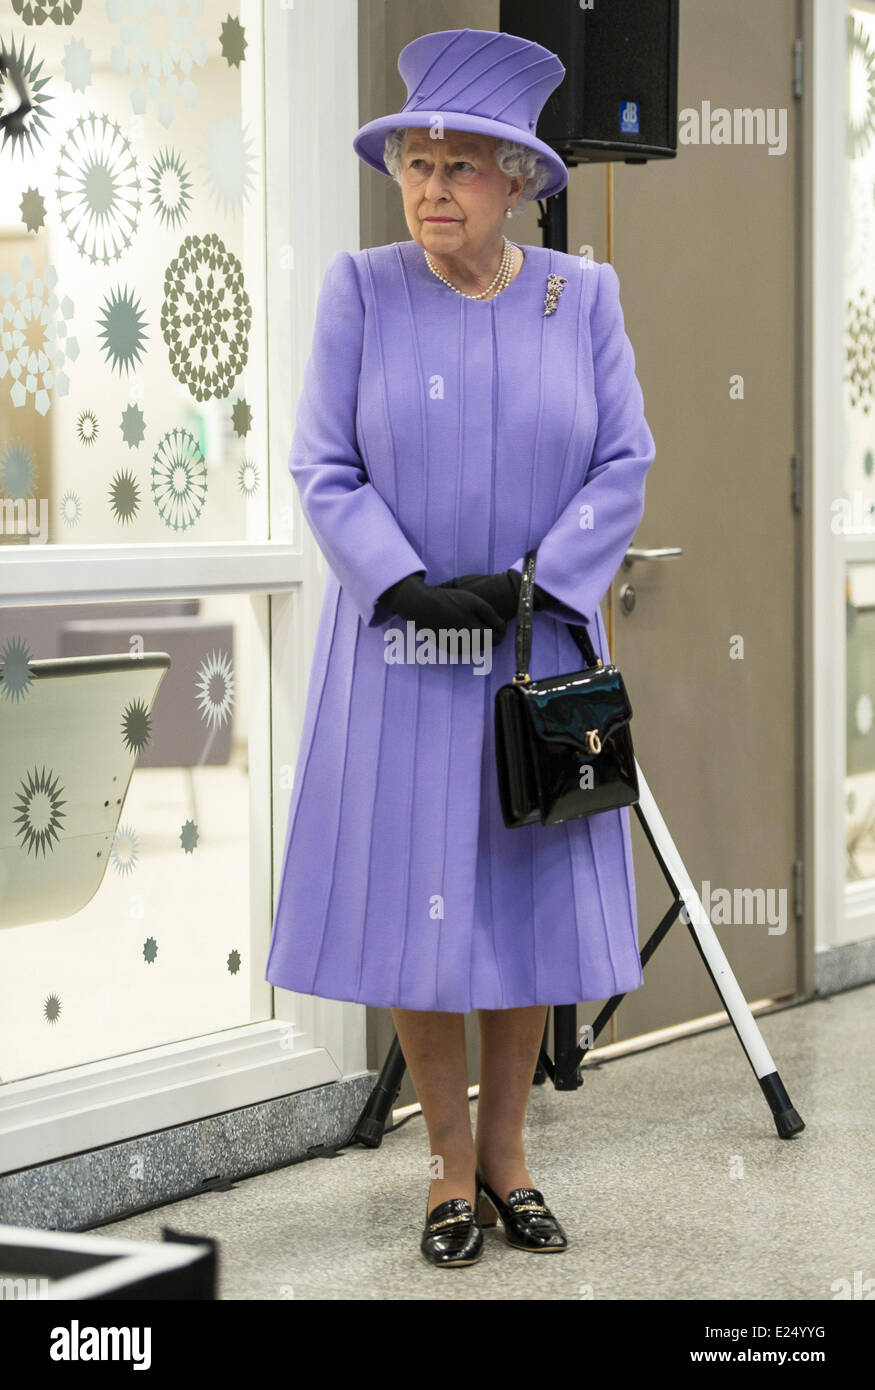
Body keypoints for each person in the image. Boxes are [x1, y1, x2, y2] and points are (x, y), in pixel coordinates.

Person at [265, 27, 656, 1268]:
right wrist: (406, 584)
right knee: (414, 912)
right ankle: (441, 1169)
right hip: (400, 658)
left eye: (458, 167)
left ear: (517, 183)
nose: (430, 187)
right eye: (415, 163)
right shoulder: (360, 289)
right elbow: (322, 465)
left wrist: (540, 579)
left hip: (531, 653)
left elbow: (623, 460)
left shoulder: (574, 294)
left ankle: (509, 1157)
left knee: (519, 901)